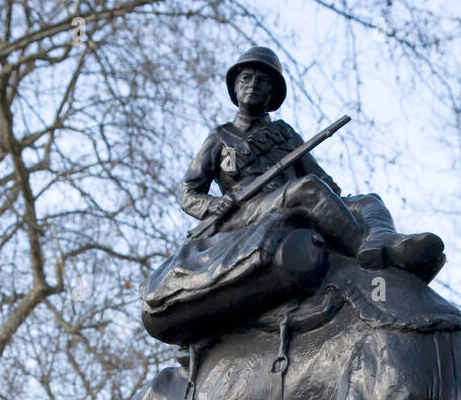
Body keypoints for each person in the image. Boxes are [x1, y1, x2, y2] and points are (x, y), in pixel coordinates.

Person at [180, 46, 445, 284]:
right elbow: (188, 193)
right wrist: (213, 204)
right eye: (246, 78)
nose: (253, 85)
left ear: (272, 92)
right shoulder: (220, 138)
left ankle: (384, 240)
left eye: (263, 80)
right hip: (246, 210)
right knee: (307, 189)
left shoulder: (286, 134)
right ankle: (366, 252)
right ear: (235, 87)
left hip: (294, 196)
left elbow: (320, 178)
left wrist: (344, 202)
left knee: (368, 200)